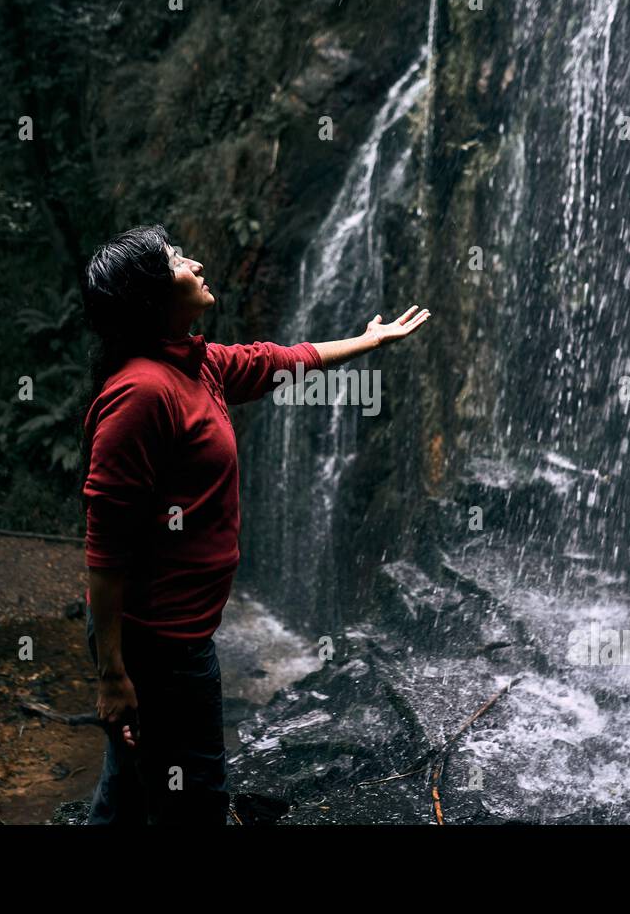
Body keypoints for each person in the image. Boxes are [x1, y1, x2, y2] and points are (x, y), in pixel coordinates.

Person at [79, 223, 429, 824]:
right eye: (175, 261)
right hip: (158, 644)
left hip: (177, 632)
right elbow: (104, 548)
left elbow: (279, 362)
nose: (194, 261)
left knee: (132, 790)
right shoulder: (140, 394)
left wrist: (369, 342)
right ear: (152, 298)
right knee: (200, 799)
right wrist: (112, 676)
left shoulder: (196, 365)